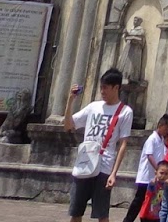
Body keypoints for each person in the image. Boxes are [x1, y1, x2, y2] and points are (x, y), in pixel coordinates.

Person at [63, 68, 133, 222]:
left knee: (102, 214)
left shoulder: (125, 112)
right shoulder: (93, 107)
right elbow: (68, 126)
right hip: (85, 162)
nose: (102, 91)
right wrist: (70, 101)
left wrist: (114, 173)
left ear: (116, 88)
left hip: (104, 165)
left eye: (106, 87)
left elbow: (123, 144)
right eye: (101, 87)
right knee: (76, 211)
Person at [122, 113, 168, 222]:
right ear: (160, 125)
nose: (167, 130)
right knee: (139, 200)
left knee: (152, 201)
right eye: (166, 127)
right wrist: (157, 169)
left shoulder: (161, 140)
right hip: (146, 176)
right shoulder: (152, 139)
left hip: (156, 177)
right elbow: (149, 155)